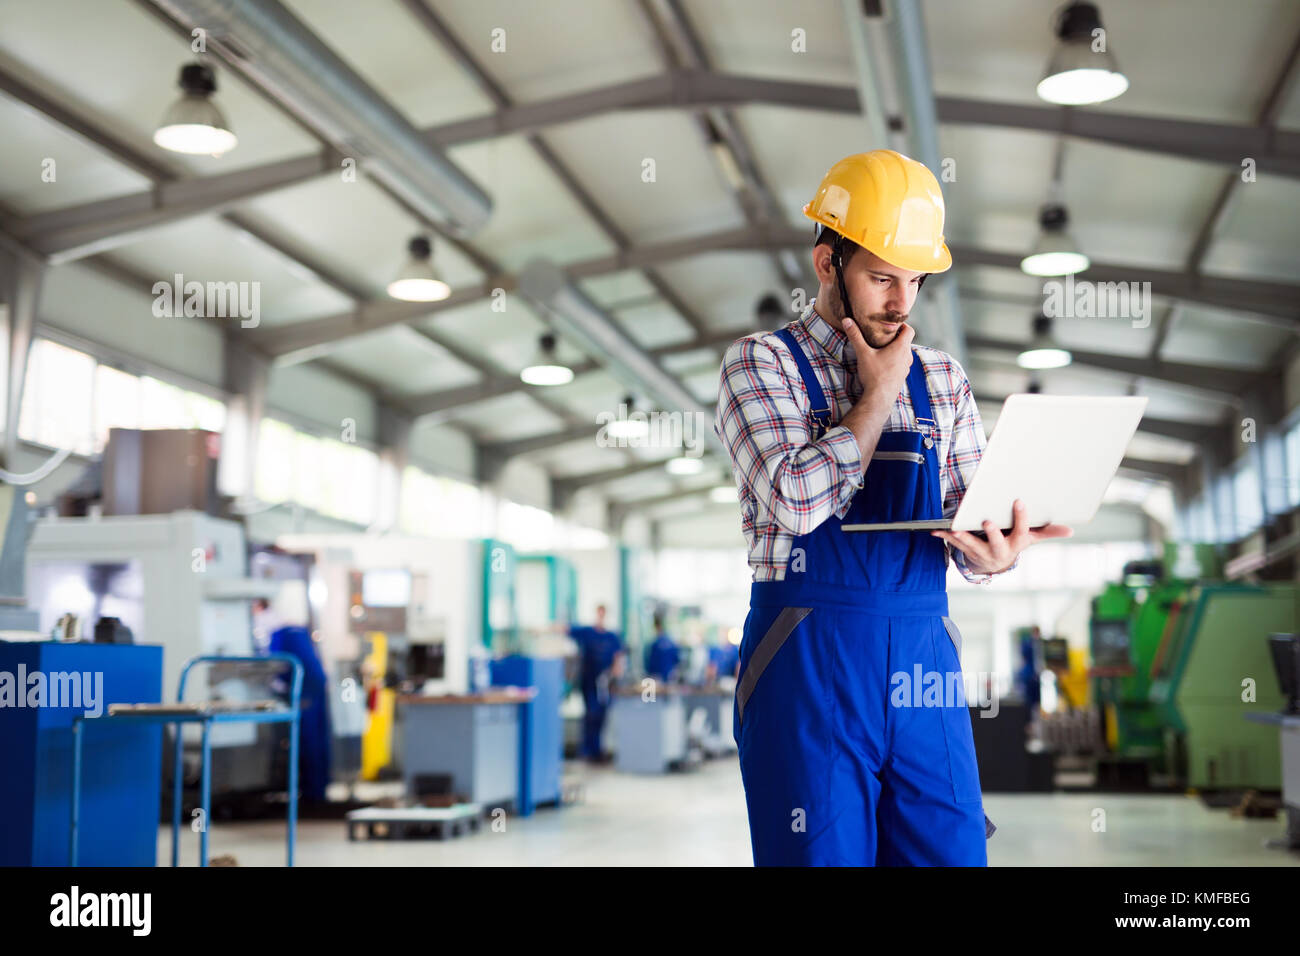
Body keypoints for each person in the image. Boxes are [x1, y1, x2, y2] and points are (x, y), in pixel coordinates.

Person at [715, 149, 1071, 866]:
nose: (901, 302)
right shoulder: (761, 365)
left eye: (913, 280)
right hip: (805, 658)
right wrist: (876, 396)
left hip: (923, 659)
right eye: (881, 278)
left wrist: (994, 555)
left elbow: (967, 520)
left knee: (951, 852)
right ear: (827, 264)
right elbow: (790, 500)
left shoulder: (943, 379)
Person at [569, 604, 625, 761]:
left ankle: (598, 749)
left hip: (605, 682)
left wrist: (615, 673)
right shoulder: (587, 632)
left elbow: (618, 658)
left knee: (601, 715)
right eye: (599, 614)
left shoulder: (612, 637)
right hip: (588, 681)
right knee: (590, 715)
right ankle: (587, 750)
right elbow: (566, 630)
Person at [643, 613, 681, 682]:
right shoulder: (671, 642)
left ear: (656, 627)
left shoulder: (655, 644)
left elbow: (651, 663)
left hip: (658, 676)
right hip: (670, 675)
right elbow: (677, 660)